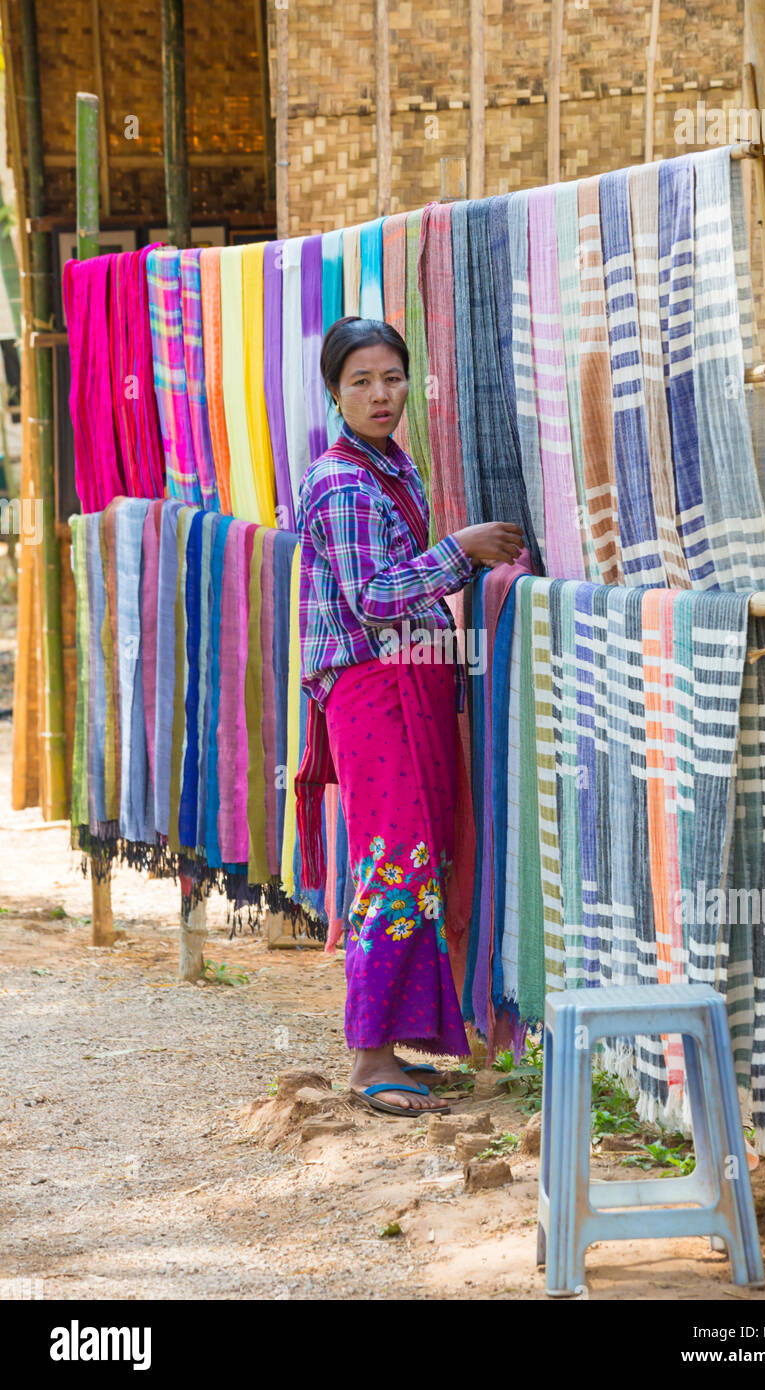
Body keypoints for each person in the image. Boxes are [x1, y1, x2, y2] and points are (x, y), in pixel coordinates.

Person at [295, 315, 524, 1115]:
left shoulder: (393, 465)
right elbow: (376, 595)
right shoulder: (342, 481)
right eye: (360, 381)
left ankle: (396, 1045)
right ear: (335, 392)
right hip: (371, 688)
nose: (381, 394)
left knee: (418, 859)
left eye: (392, 377)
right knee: (392, 862)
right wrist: (464, 551)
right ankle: (367, 1061)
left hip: (413, 683)